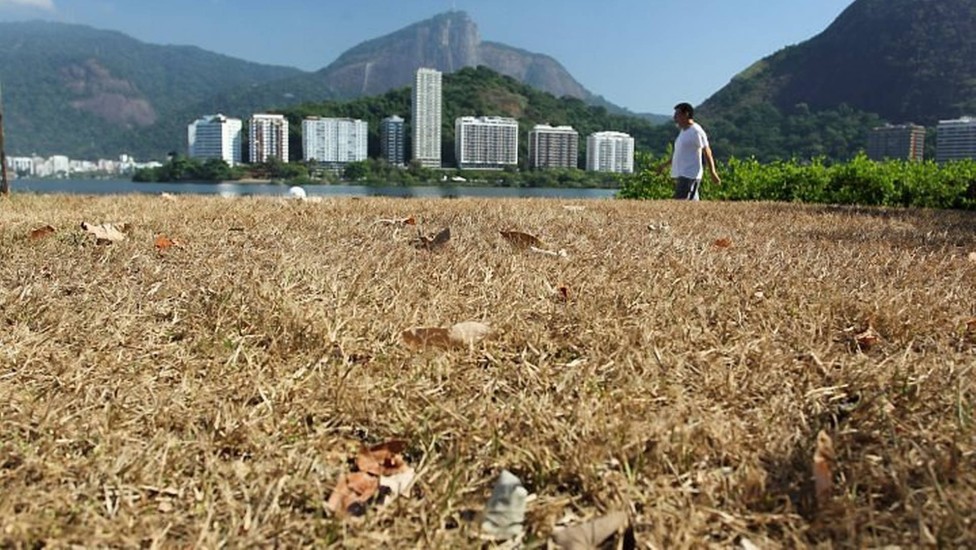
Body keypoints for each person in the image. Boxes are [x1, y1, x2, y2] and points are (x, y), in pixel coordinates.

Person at [657, 102, 720, 200]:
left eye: (677, 114)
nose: (674, 118)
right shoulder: (683, 132)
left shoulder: (696, 131)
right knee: (690, 205)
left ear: (686, 114)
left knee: (680, 203)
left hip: (690, 174)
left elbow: (706, 150)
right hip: (682, 174)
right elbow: (678, 154)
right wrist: (664, 165)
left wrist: (712, 172)